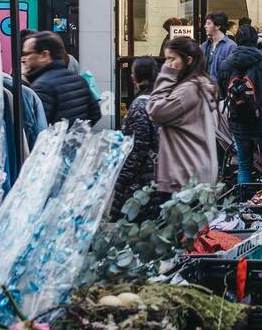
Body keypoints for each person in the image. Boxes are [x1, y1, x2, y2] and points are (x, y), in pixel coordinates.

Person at [147, 37, 219, 192]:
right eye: (165, 59)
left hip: (185, 177)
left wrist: (166, 75)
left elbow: (155, 111)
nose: (167, 65)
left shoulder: (188, 90)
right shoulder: (198, 85)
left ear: (188, 60)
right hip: (194, 173)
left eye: (171, 59)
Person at [222, 25, 262, 184]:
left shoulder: (227, 64)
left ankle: (244, 205)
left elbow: (220, 90)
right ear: (255, 41)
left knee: (244, 165)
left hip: (238, 123)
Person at [110, 56, 159, 217]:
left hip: (144, 180)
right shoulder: (162, 100)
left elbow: (137, 149)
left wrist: (121, 182)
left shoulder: (139, 106)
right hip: (161, 175)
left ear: (134, 77)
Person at [24, 31, 101, 125]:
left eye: (28, 53)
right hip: (77, 139)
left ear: (44, 55)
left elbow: (37, 127)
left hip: (53, 140)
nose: (24, 58)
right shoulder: (79, 80)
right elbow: (95, 114)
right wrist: (78, 132)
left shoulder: (41, 86)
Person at [202, 11, 236, 84]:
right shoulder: (204, 45)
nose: (205, 26)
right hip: (205, 89)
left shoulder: (231, 46)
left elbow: (232, 73)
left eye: (208, 23)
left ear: (217, 26)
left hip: (220, 91)